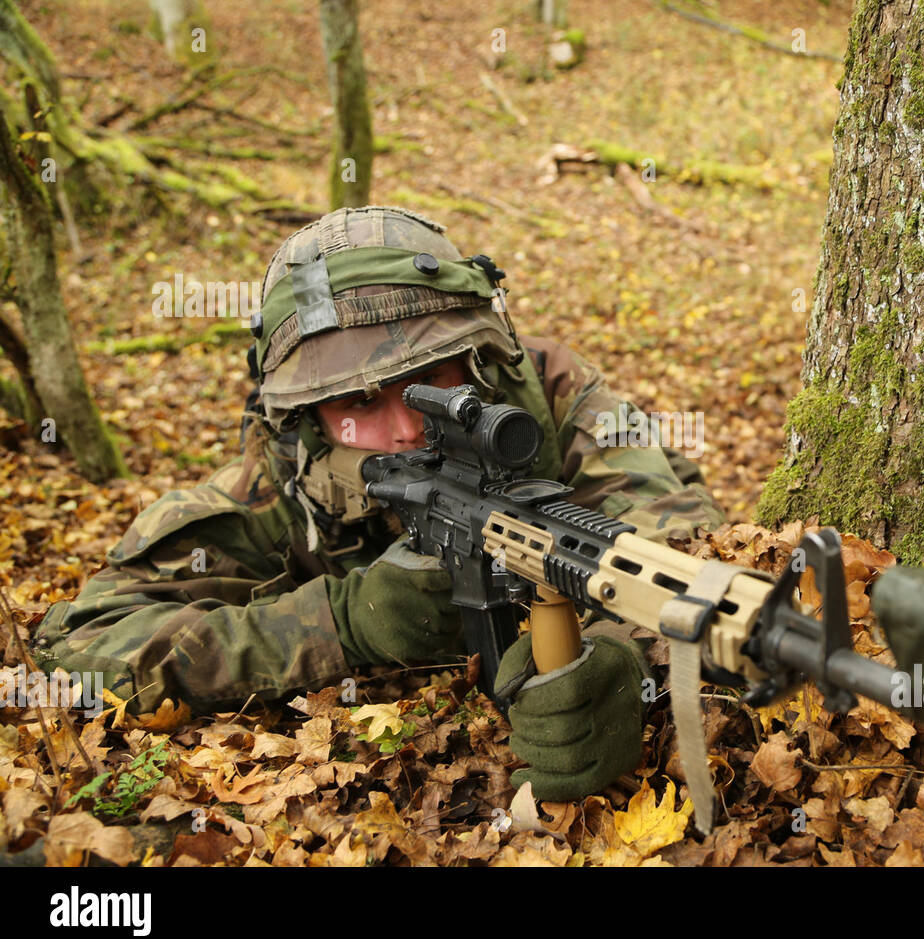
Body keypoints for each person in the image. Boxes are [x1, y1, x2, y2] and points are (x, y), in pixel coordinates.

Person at [31, 206, 726, 800]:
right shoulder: (275, 489)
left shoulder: (551, 401)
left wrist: (616, 660)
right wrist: (334, 625)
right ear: (304, 414)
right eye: (358, 400)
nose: (403, 428)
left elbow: (686, 546)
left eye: (429, 379)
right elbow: (81, 641)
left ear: (481, 359)